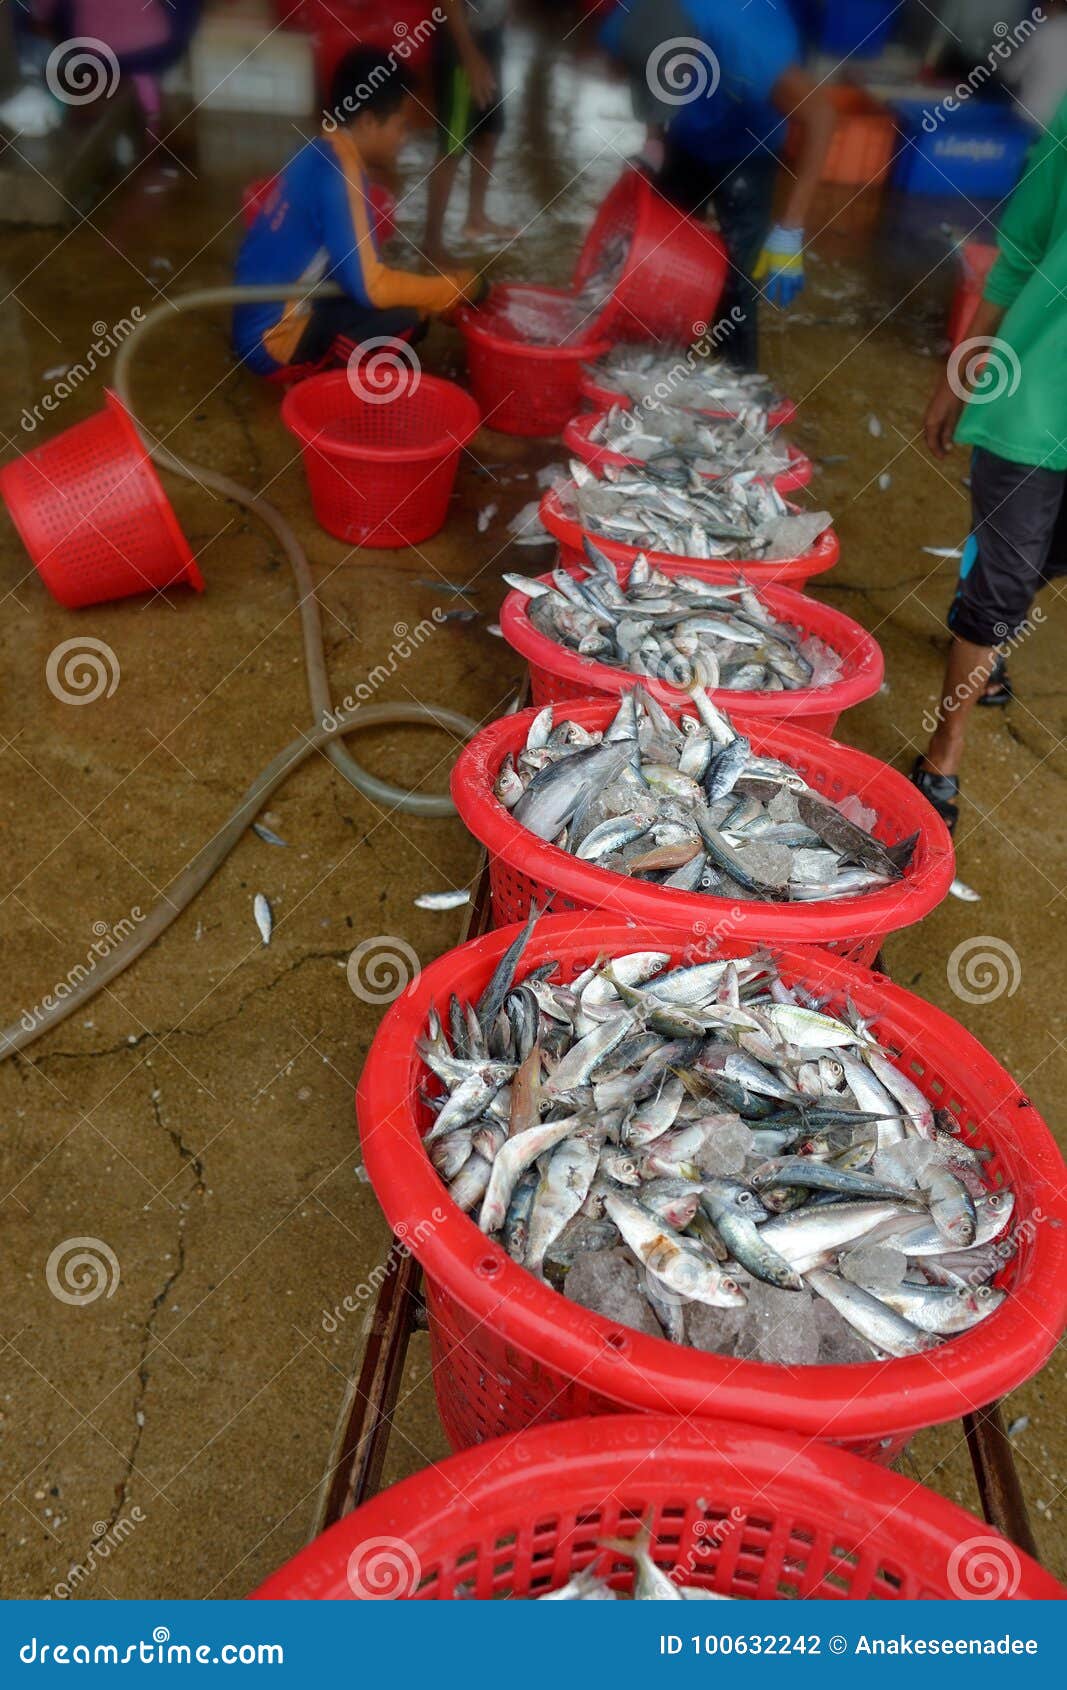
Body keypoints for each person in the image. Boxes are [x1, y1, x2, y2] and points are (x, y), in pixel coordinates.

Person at [912, 93, 1067, 834]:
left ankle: (987, 628)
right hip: (1036, 396)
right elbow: (1022, 252)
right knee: (1000, 583)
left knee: (1042, 560)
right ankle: (944, 750)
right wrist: (958, 371)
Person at [601, 0, 834, 370]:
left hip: (748, 143)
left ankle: (737, 382)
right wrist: (655, 141)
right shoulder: (630, 19)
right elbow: (634, 67)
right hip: (686, 135)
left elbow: (822, 116)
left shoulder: (749, 42)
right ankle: (660, 366)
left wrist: (790, 228)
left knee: (738, 278)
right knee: (662, 255)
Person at [233, 48, 483, 380]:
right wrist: (458, 288)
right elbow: (372, 287)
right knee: (410, 318)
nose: (404, 139)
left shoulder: (316, 148)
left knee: (413, 299)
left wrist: (438, 295)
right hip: (273, 346)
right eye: (401, 126)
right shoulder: (341, 175)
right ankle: (333, 383)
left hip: (255, 322)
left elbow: (349, 271)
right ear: (367, 121)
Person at [424, 0, 515, 267]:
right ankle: (432, 244)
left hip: (490, 39)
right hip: (461, 45)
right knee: (453, 147)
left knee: (489, 134)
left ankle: (476, 218)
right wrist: (469, 56)